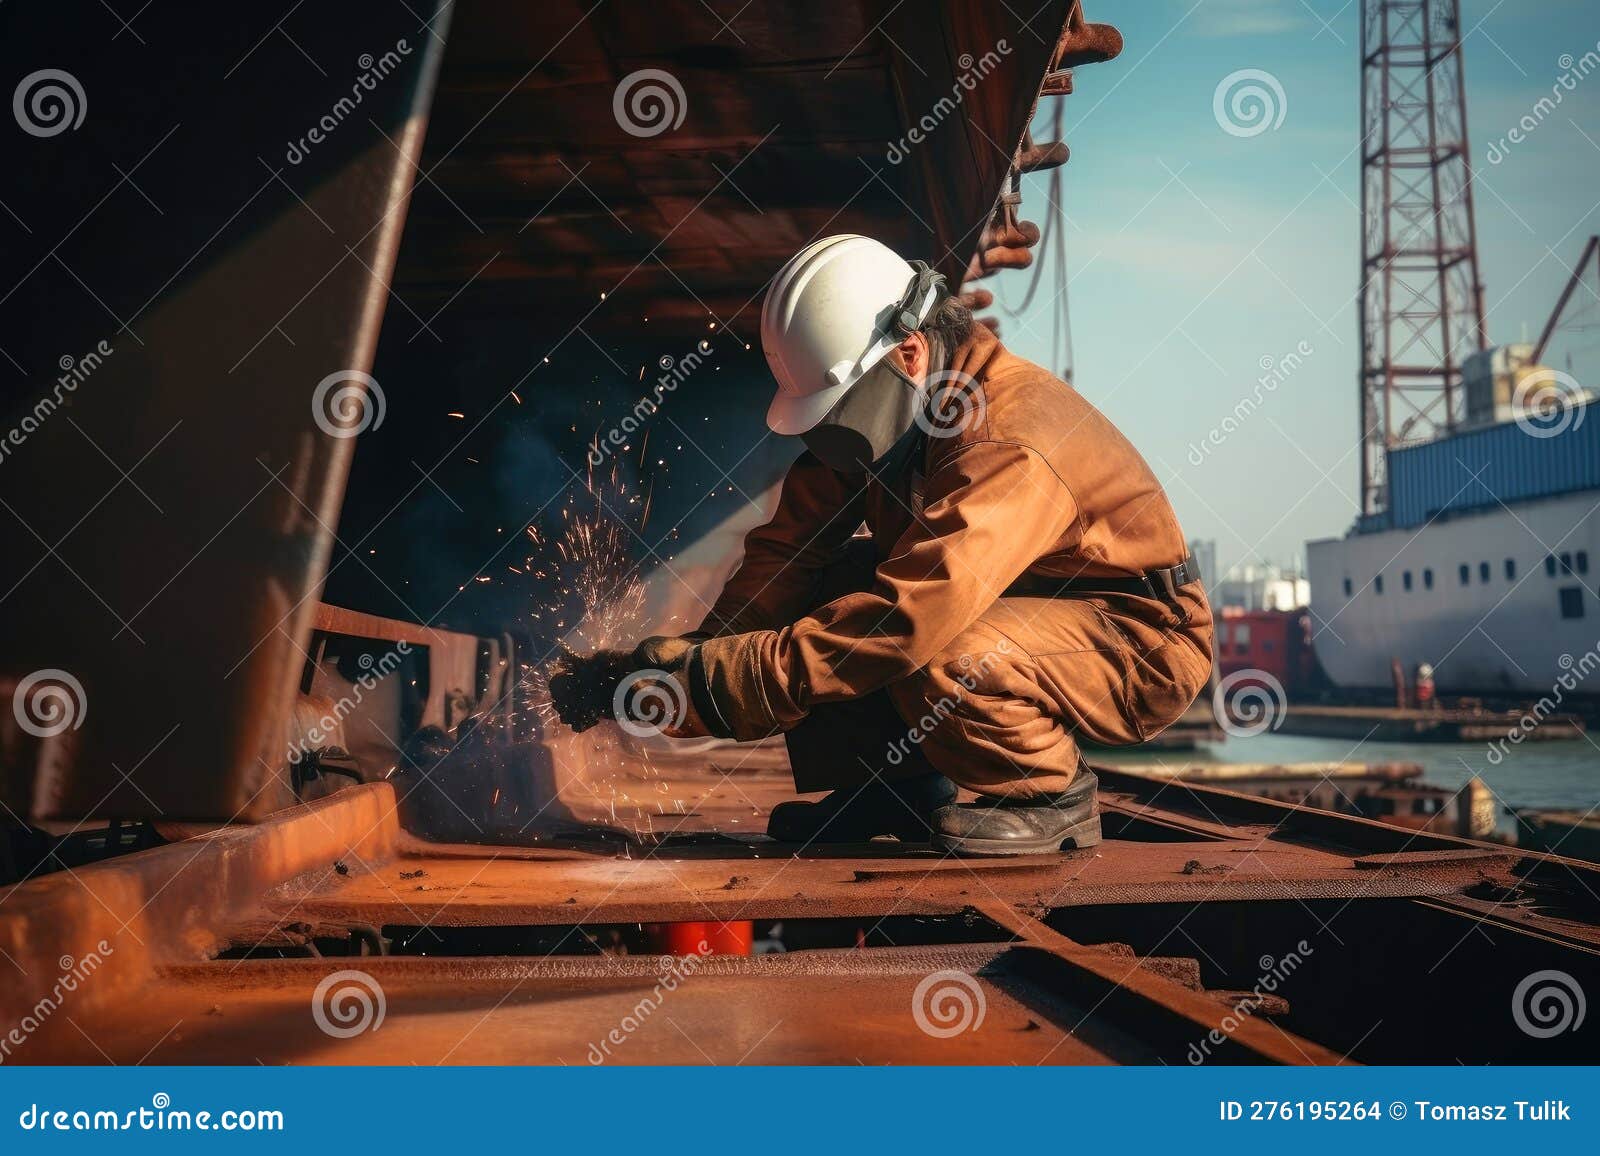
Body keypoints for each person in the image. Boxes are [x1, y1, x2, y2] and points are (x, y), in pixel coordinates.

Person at [551, 235, 1213, 856]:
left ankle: (1050, 791)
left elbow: (909, 621)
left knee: (939, 650)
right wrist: (694, 663)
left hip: (1138, 638)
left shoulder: (1008, 441)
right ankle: (890, 787)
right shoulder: (899, 409)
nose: (830, 433)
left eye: (838, 406)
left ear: (909, 352)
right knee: (828, 590)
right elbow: (789, 555)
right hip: (1025, 605)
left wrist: (724, 684)